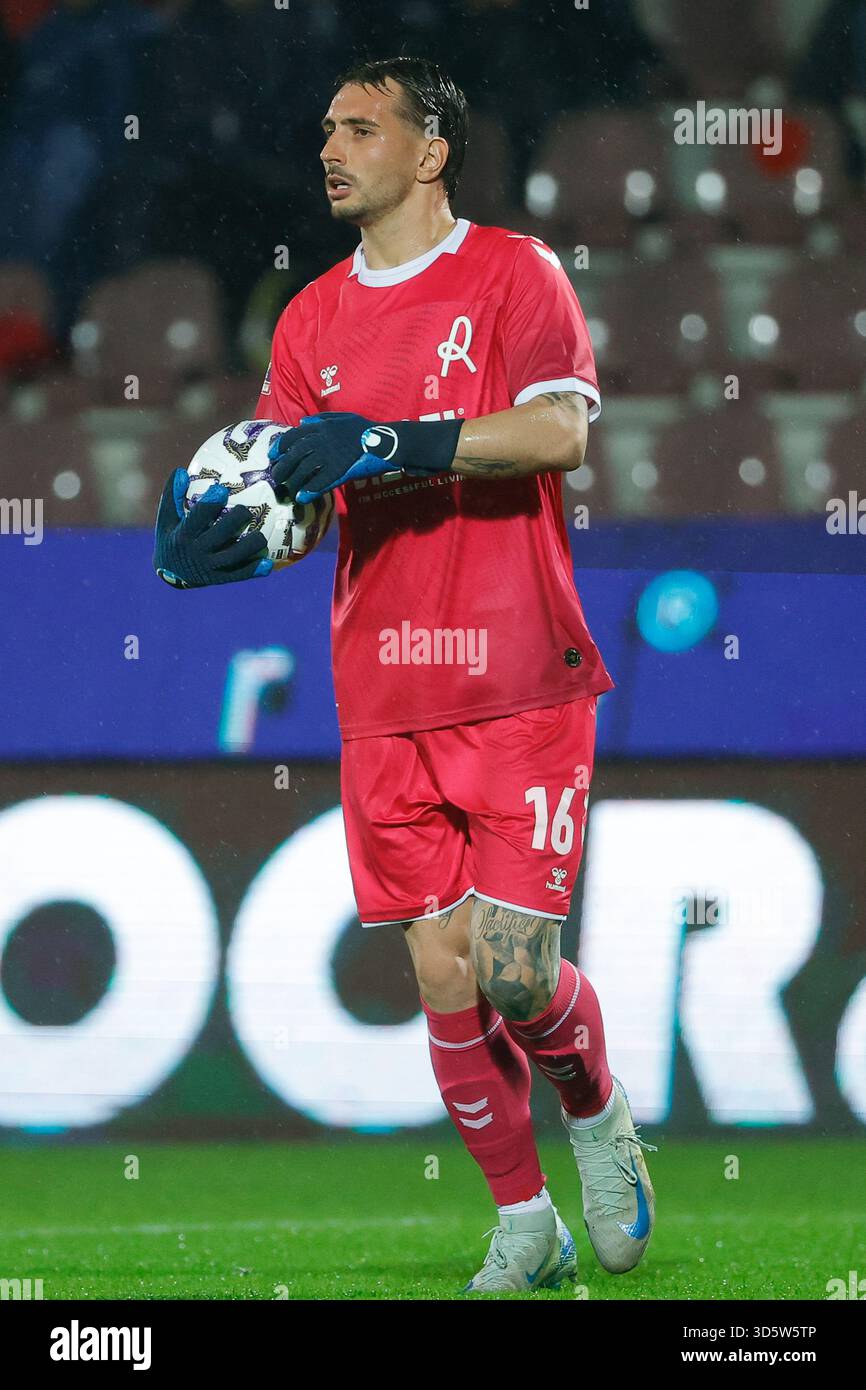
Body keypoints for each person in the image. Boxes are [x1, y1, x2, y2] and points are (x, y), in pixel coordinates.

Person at [153, 54, 656, 1294]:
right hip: (380, 691)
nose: (330, 146)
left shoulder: (511, 275)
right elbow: (299, 489)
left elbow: (561, 430)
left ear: (429, 152)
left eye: (359, 128)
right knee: (439, 971)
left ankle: (596, 1117)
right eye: (325, 127)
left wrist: (392, 437)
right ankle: (520, 1220)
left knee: (514, 969)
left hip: (520, 672)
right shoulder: (310, 317)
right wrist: (233, 534)